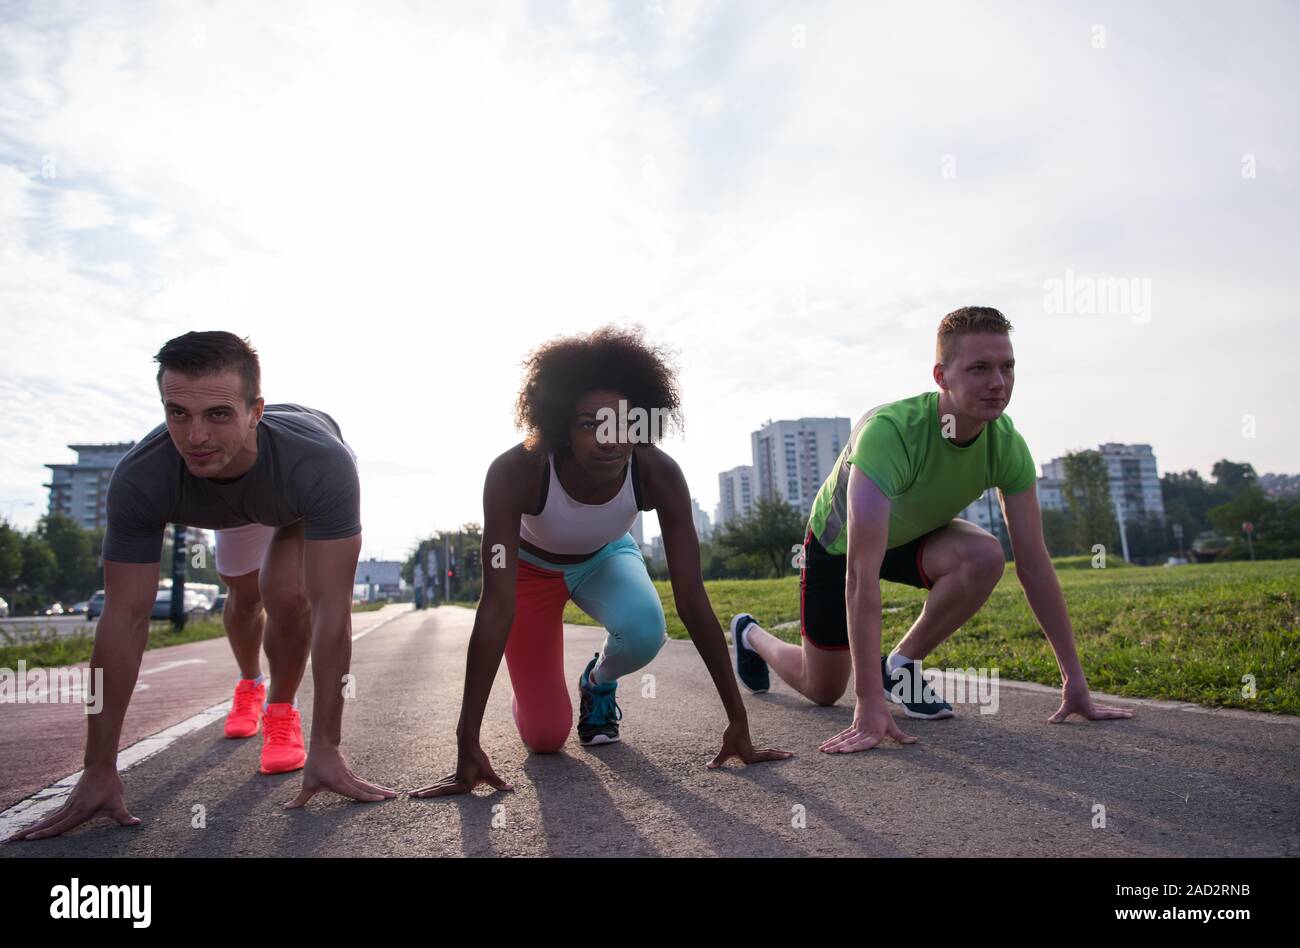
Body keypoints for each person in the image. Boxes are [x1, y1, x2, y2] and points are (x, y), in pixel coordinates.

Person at [9, 331, 395, 841]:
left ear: (256, 410)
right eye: (177, 414)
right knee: (243, 593)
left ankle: (282, 711)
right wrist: (97, 766)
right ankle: (249, 684)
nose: (195, 437)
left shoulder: (320, 464)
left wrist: (329, 744)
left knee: (288, 594)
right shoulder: (142, 477)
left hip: (291, 502)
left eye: (218, 414)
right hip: (227, 507)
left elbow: (332, 611)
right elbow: (123, 620)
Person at [730, 307, 1134, 755]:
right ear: (942, 375)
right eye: (979, 368)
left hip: (915, 539)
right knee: (823, 688)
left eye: (1007, 367)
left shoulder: (1008, 446)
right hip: (838, 546)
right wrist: (866, 705)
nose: (997, 382)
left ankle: (900, 665)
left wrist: (1074, 681)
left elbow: (1035, 566)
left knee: (985, 556)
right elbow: (862, 573)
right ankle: (751, 634)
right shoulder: (890, 434)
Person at [412, 326, 790, 797]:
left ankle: (598, 680)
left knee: (645, 628)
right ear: (560, 427)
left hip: (606, 558)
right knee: (547, 736)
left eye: (624, 422)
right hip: (530, 573)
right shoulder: (515, 472)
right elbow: (495, 606)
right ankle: (534, 695)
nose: (609, 439)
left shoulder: (658, 473)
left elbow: (692, 599)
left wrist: (738, 720)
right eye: (590, 424)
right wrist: (465, 741)